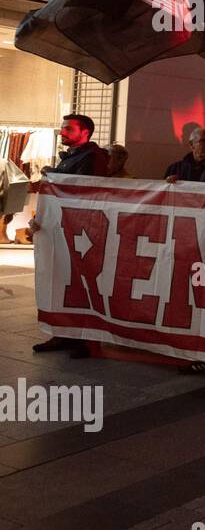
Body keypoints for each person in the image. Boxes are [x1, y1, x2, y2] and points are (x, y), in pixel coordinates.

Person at [28, 114, 108, 358]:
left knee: (80, 285)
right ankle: (63, 333)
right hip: (63, 229)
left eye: (68, 129)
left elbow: (84, 189)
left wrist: (54, 176)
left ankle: (84, 340)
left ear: (85, 132)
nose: (62, 132)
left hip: (80, 232)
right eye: (62, 128)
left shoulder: (93, 158)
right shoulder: (73, 157)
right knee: (62, 283)